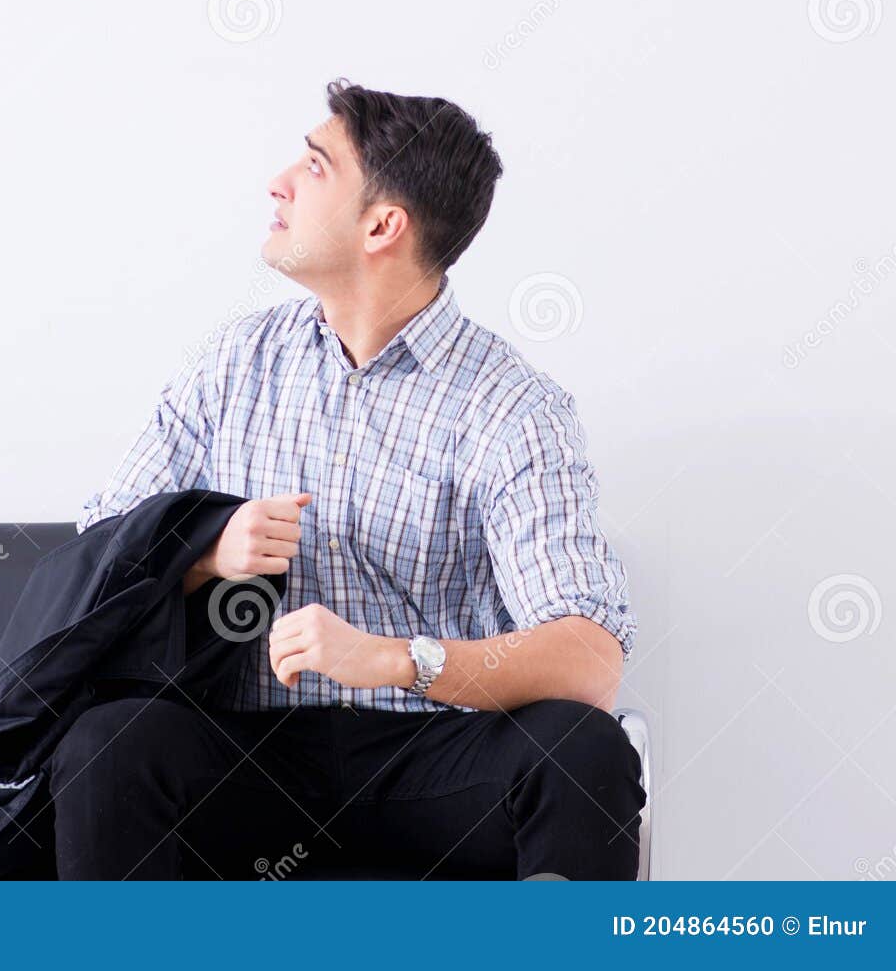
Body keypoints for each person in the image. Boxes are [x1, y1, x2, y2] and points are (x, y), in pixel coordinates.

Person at [55, 80, 644, 880]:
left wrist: (401, 659)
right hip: (250, 759)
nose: (278, 184)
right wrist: (204, 550)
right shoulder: (233, 364)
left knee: (582, 748)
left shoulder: (512, 407)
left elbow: (588, 660)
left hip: (435, 757)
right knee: (110, 746)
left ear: (382, 226)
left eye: (314, 166)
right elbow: (95, 559)